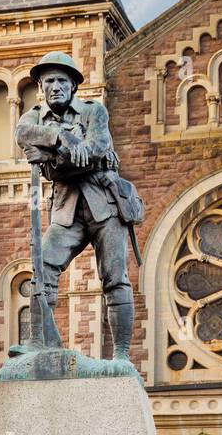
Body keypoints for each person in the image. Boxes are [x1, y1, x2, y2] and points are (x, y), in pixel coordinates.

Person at [14, 51, 144, 361]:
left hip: (105, 206)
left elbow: (99, 146)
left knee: (114, 277)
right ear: (41, 87)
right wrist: (61, 138)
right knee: (43, 265)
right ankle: (38, 340)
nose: (54, 87)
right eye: (48, 82)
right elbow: (23, 134)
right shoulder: (33, 117)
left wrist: (54, 159)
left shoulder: (93, 111)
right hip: (67, 210)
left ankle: (122, 356)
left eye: (61, 80)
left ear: (73, 85)